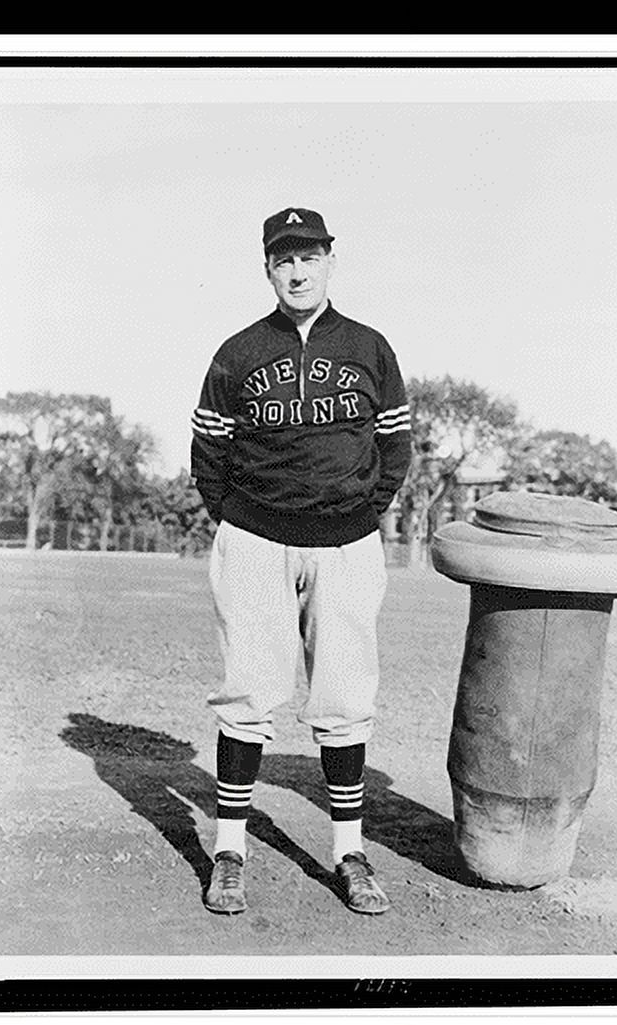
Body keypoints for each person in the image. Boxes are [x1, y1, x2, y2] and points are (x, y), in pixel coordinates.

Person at [190, 207, 411, 916]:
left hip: (345, 544)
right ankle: (230, 851)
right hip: (255, 539)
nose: (297, 271)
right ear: (267, 268)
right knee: (248, 692)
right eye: (284, 259)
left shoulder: (370, 347)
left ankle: (349, 851)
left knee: (344, 696)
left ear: (330, 262)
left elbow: (395, 448)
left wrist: (360, 513)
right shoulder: (239, 351)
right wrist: (241, 518)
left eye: (309, 257)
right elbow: (209, 451)